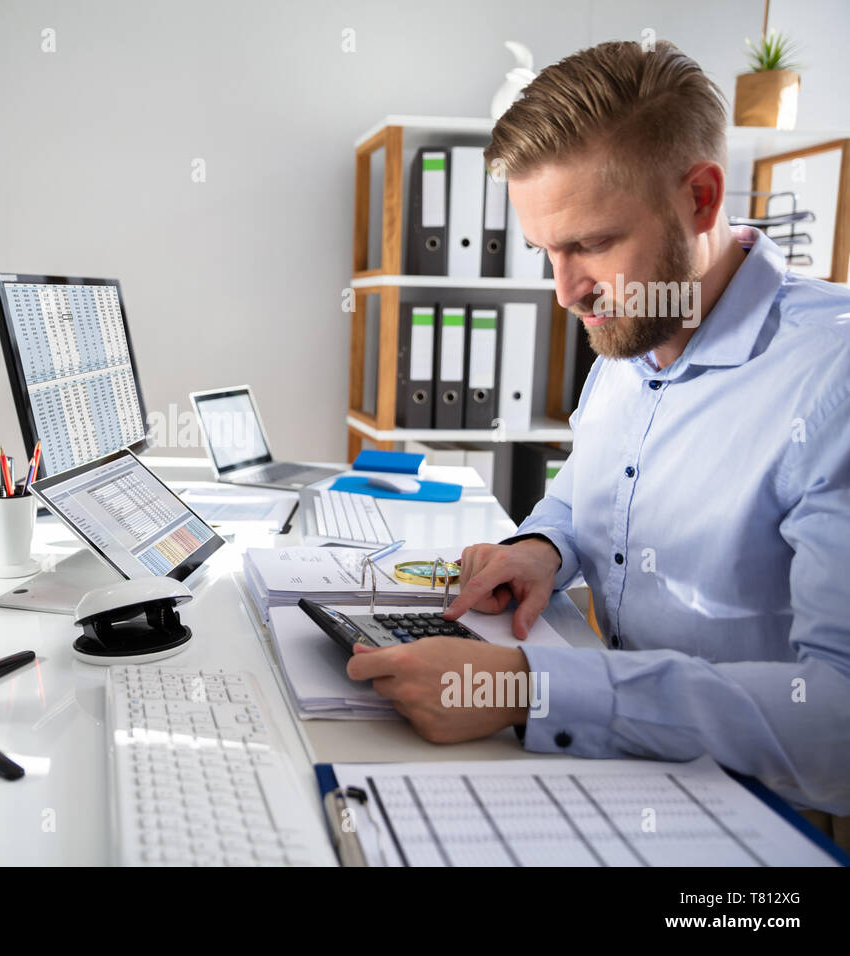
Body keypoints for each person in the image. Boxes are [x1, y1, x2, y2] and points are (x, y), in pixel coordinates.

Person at [346, 39, 850, 845]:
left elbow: (840, 722)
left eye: (589, 244)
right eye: (547, 251)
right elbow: (591, 482)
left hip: (775, 816)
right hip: (629, 769)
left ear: (700, 198)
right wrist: (544, 544)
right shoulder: (636, 323)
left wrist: (528, 689)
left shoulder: (833, 380)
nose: (564, 292)